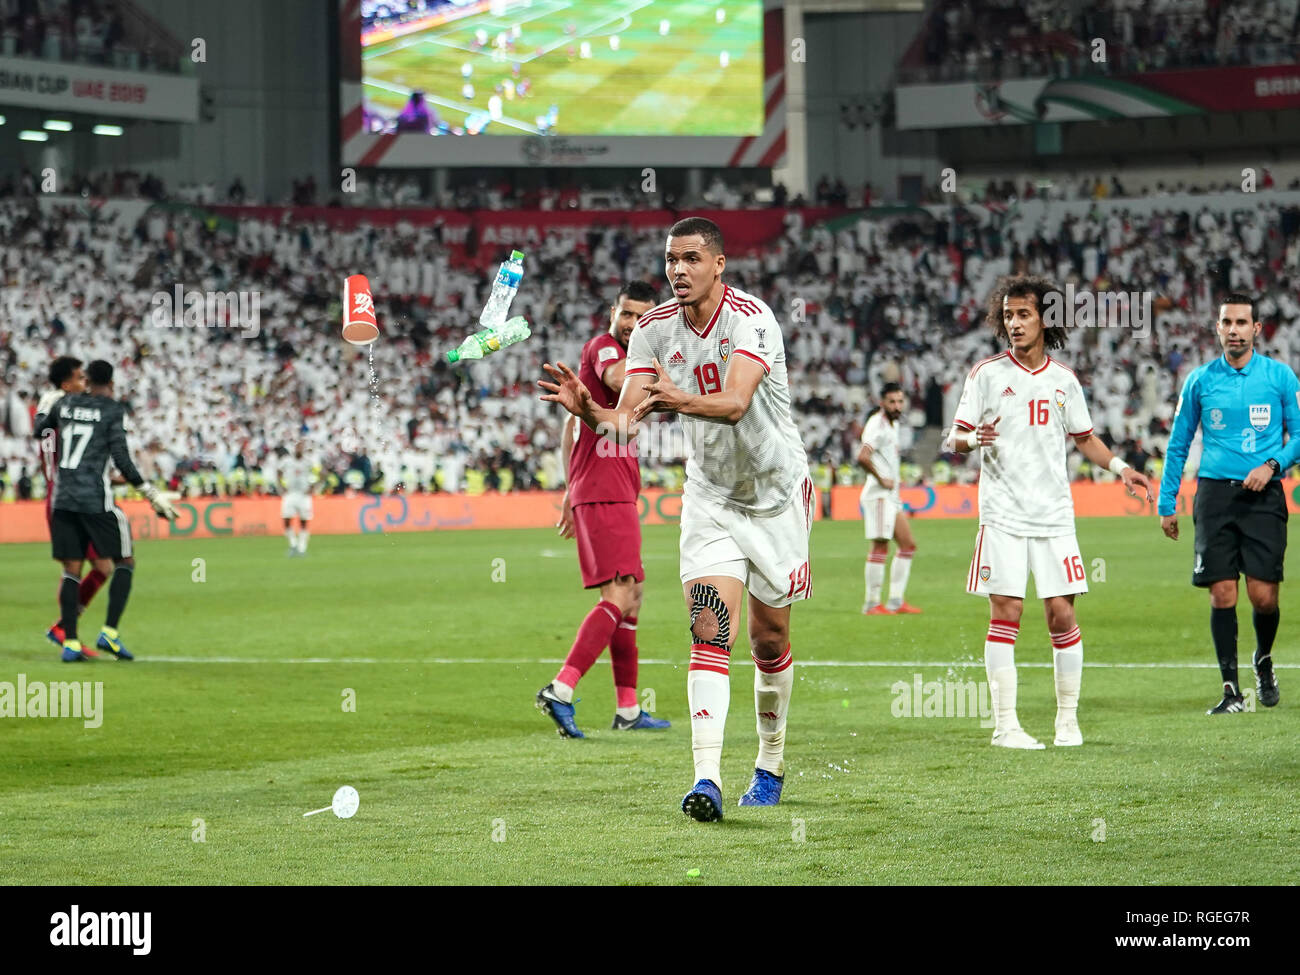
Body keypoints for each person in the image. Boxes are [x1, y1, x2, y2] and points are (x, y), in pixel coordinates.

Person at [539, 217, 814, 821]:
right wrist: (588, 409)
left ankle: (770, 763)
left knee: (770, 641)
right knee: (710, 631)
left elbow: (736, 403)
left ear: (719, 264)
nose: (678, 270)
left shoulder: (752, 317)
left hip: (775, 496)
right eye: (671, 259)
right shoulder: (655, 330)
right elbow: (624, 423)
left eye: (691, 259)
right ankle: (707, 779)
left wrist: (674, 398)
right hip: (712, 498)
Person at [946, 274, 1152, 749]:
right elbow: (953, 437)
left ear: (1045, 318)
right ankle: (1006, 726)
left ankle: (1066, 720)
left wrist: (1122, 468)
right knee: (1007, 611)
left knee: (1062, 615)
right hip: (1002, 513)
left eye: (1024, 314)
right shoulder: (986, 374)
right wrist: (971, 439)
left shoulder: (1063, 381)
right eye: (1008, 315)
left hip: (1054, 515)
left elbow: (1084, 438)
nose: (1014, 323)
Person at [535, 280, 671, 737]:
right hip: (604, 489)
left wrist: (569, 490)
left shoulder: (631, 358)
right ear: (613, 312)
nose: (633, 324)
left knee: (631, 597)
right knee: (618, 595)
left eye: (643, 317)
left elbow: (570, 431)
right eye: (627, 314)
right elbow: (616, 380)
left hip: (609, 488)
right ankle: (561, 689)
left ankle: (628, 710)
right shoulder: (604, 349)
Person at [1158, 293, 1300, 714]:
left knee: (1263, 598)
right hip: (1215, 495)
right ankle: (1230, 690)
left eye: (1242, 322)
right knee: (1222, 593)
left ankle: (1263, 659)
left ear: (1256, 329)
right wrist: (1167, 502)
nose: (1234, 330)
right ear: (1217, 328)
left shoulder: (1280, 377)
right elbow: (1178, 443)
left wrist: (1272, 465)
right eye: (1227, 323)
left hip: (1263, 495)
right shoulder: (1200, 381)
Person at [35, 360, 177, 661]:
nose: (80, 381)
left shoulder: (66, 404)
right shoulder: (108, 410)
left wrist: (45, 408)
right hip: (88, 499)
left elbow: (43, 431)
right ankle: (105, 632)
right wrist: (149, 492)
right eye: (76, 377)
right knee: (123, 560)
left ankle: (69, 640)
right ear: (111, 383)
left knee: (78, 569)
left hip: (63, 497)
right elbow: (120, 458)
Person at [34, 356, 108, 657]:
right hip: (62, 498)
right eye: (79, 378)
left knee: (103, 566)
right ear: (66, 384)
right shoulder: (60, 414)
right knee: (73, 568)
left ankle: (64, 627)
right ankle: (67, 635)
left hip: (79, 498)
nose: (84, 383)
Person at [859, 382, 920, 615]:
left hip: (890, 496)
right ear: (882, 402)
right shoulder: (877, 424)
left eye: (900, 401)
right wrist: (881, 478)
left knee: (907, 545)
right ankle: (872, 603)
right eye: (892, 401)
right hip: (879, 495)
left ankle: (895, 601)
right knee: (880, 547)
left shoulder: (892, 425)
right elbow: (863, 456)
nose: (897, 405)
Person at [280, 442, 317, 557]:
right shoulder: (287, 461)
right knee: (286, 519)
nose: (298, 450)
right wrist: (281, 486)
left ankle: (302, 548)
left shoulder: (308, 462)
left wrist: (313, 487)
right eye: (297, 448)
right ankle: (293, 544)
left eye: (301, 448)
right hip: (290, 494)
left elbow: (319, 473)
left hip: (303, 495)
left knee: (304, 521)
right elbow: (278, 472)